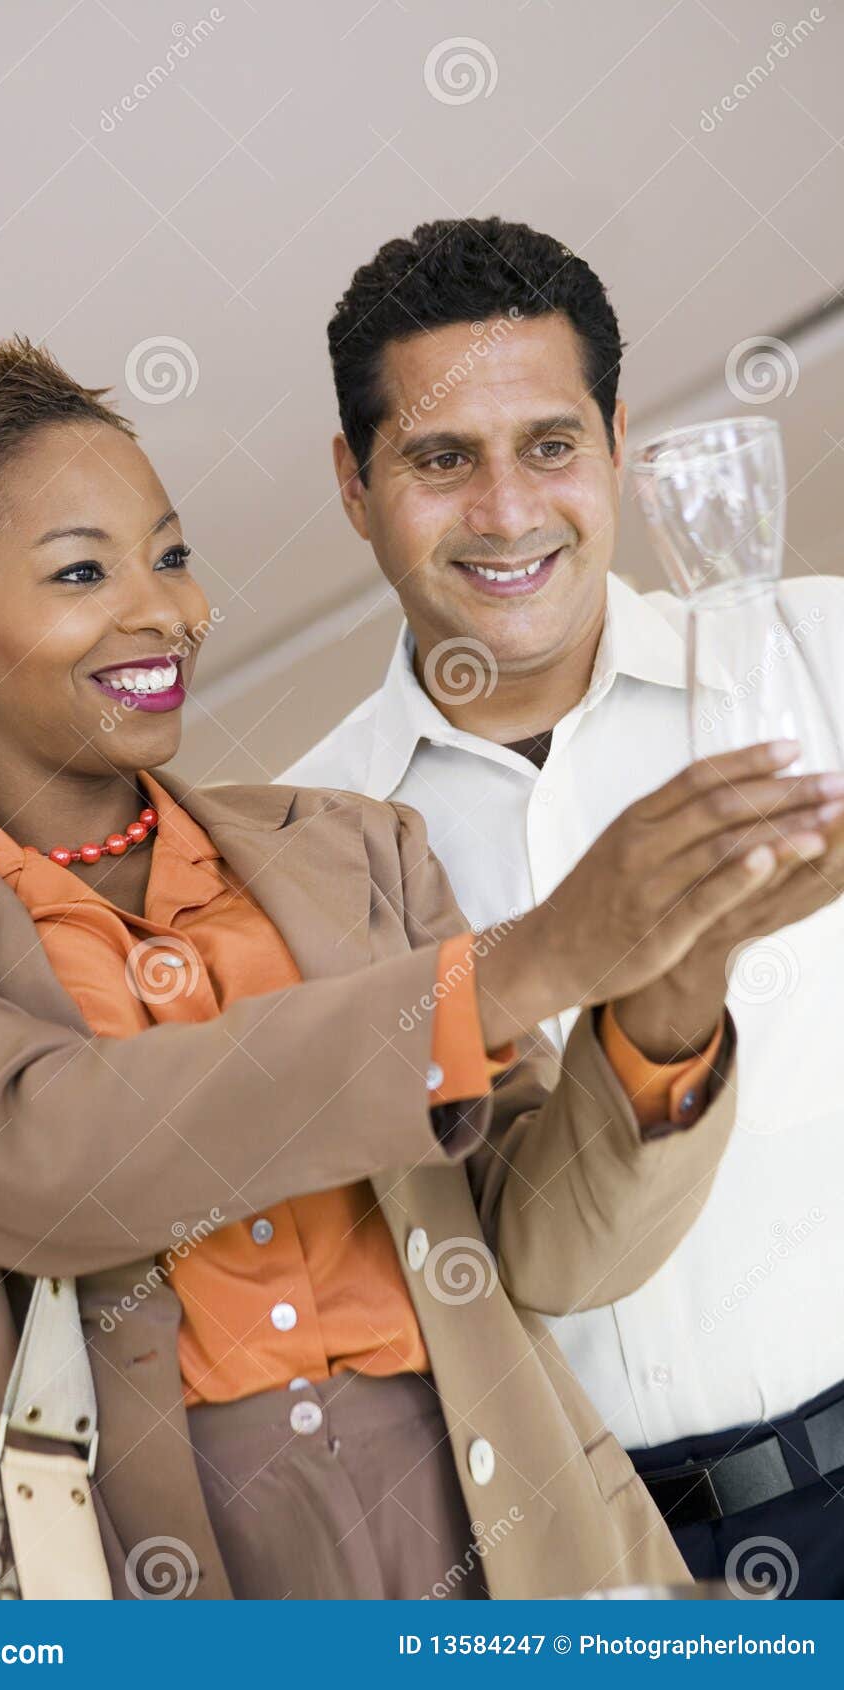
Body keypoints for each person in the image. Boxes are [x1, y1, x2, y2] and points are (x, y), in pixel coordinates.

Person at [0, 341, 835, 1604]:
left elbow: (551, 1257)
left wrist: (677, 969)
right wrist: (528, 960)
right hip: (169, 1571)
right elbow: (53, 1154)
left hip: (509, 1542)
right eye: (80, 571)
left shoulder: (351, 845)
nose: (161, 610)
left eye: (169, 555)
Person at [283, 217, 844, 1597]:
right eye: (438, 459)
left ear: (615, 440)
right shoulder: (307, 840)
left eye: (548, 443)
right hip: (585, 1563)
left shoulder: (820, 663)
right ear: (355, 485)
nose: (508, 509)